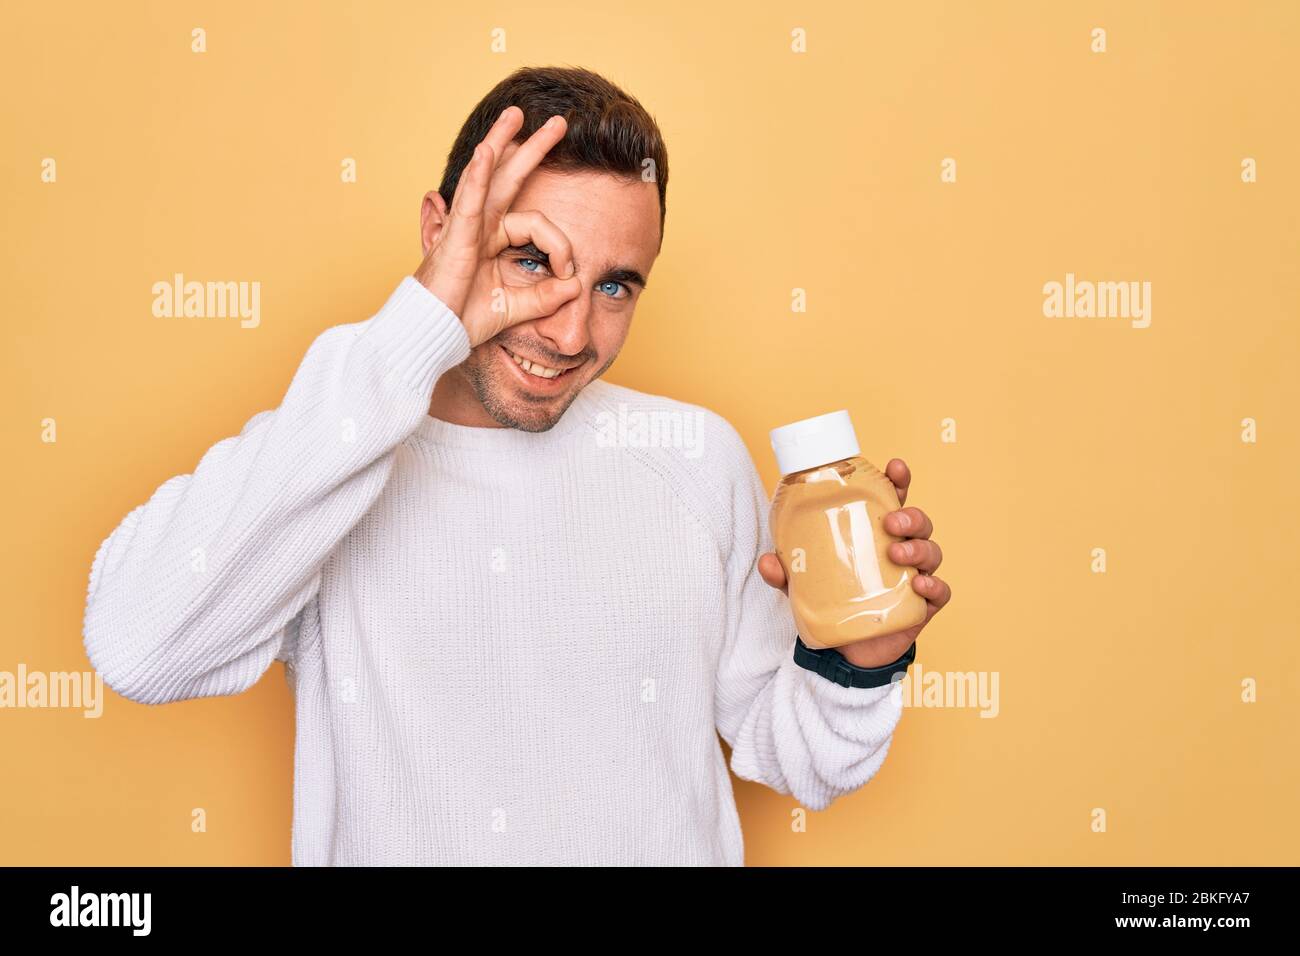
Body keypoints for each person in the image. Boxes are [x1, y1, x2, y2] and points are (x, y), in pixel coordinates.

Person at [82, 66, 951, 866]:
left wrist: (859, 663)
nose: (570, 335)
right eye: (531, 261)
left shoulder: (696, 457)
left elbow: (799, 758)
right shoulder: (335, 451)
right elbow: (138, 647)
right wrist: (419, 322)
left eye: (614, 286)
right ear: (441, 233)